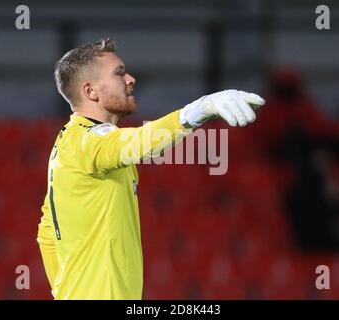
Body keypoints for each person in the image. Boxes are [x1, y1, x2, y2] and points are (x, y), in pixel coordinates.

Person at [36, 38, 265, 300]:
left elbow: (47, 234)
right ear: (91, 91)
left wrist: (67, 293)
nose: (130, 79)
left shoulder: (70, 143)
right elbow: (139, 143)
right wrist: (196, 111)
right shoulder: (90, 142)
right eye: (119, 73)